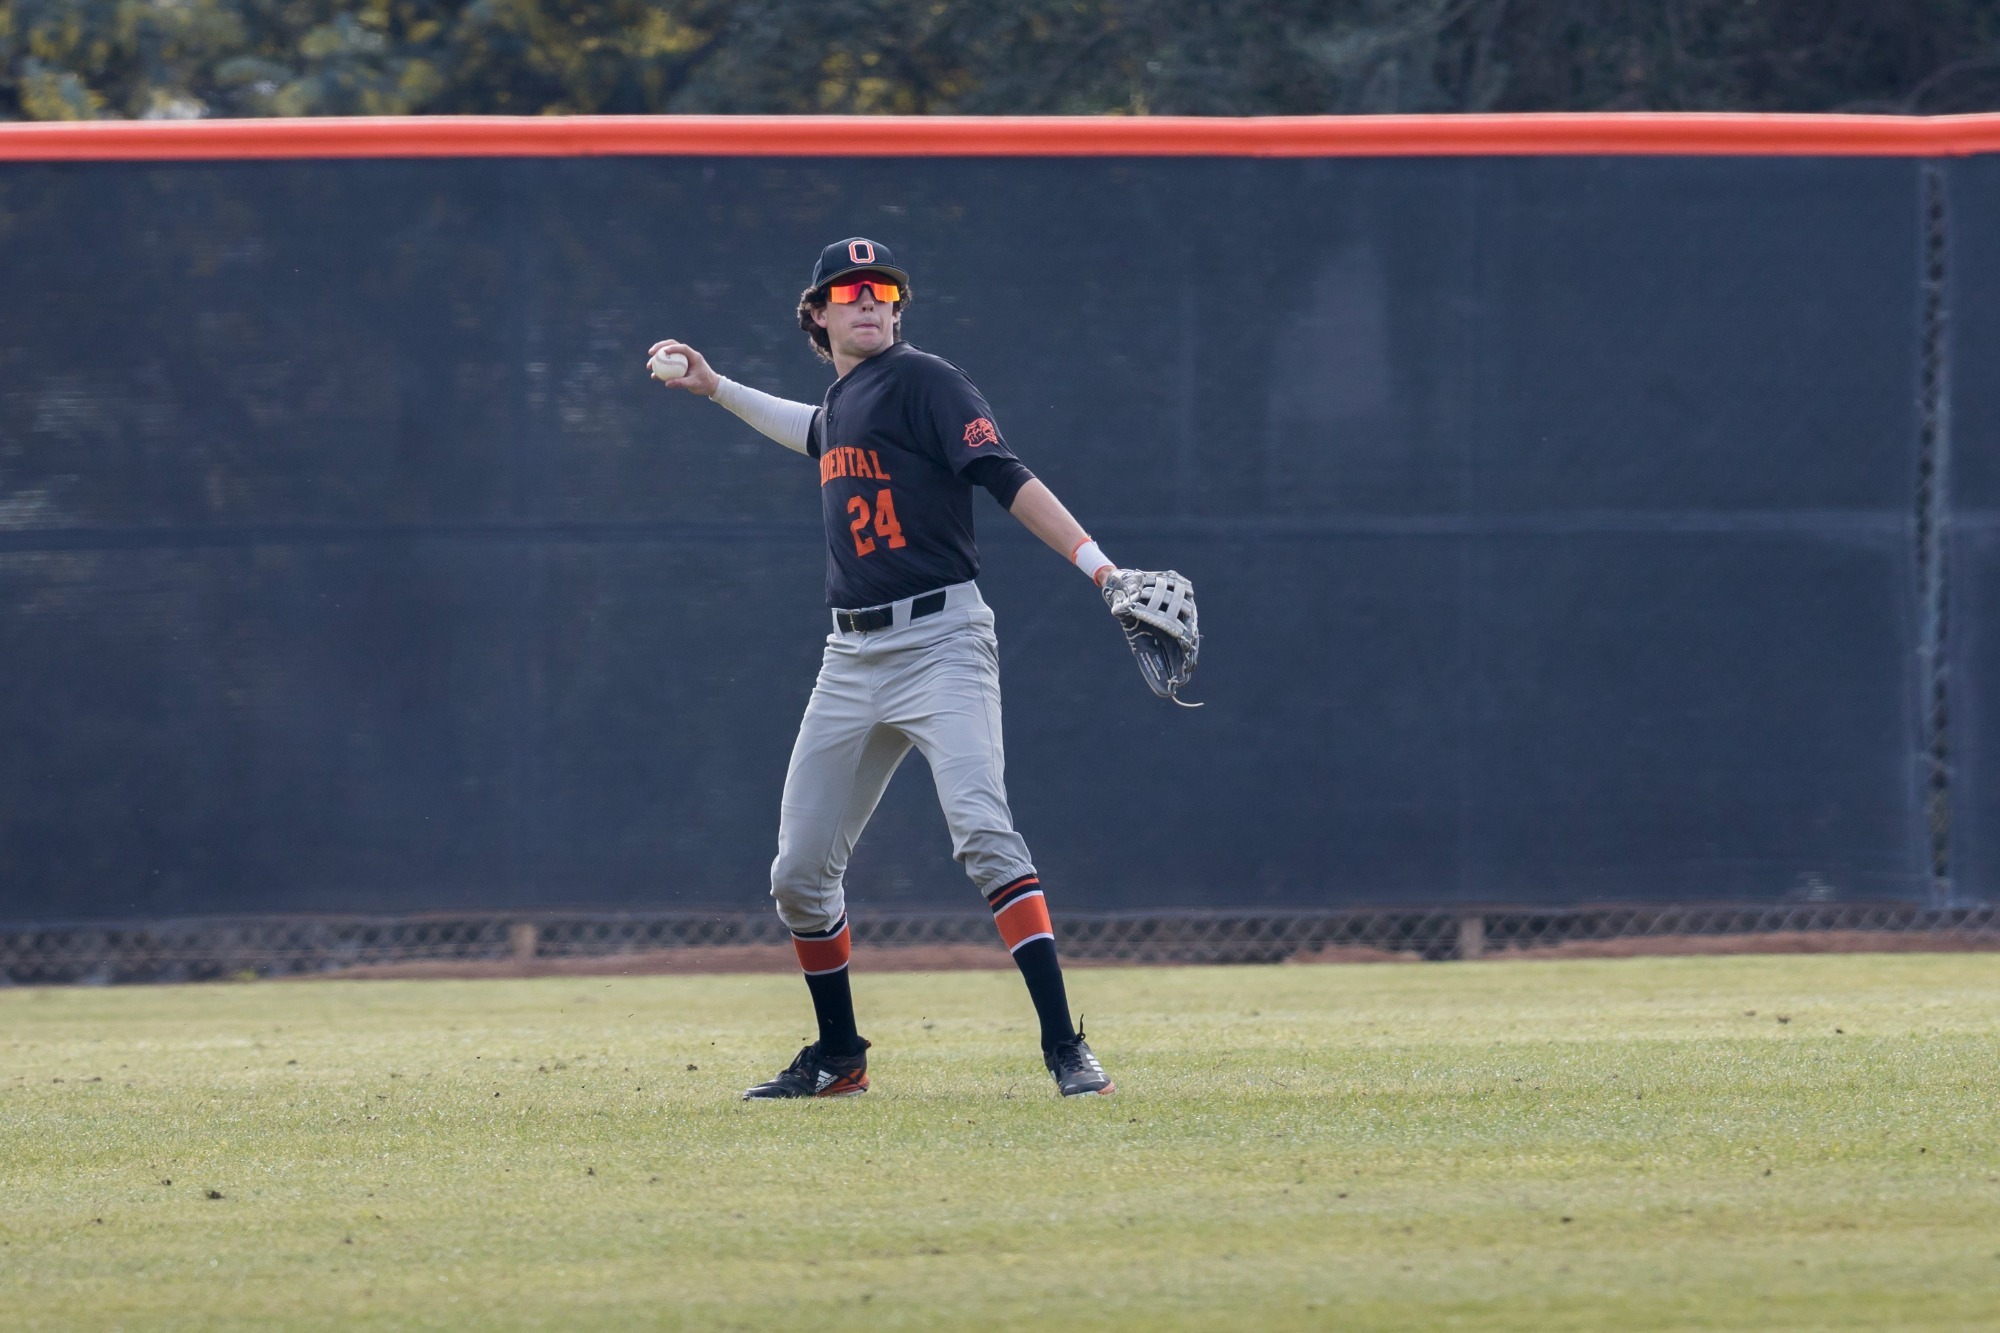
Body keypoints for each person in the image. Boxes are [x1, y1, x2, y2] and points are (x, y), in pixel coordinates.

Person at [649, 237, 1135, 1099]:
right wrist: (715, 386)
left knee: (983, 833)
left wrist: (1102, 569)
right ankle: (841, 1055)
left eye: (883, 288)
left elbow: (1003, 473)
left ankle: (1066, 1046)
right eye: (849, 290)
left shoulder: (925, 380)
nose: (870, 299)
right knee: (798, 874)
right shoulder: (845, 401)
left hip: (942, 640)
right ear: (818, 314)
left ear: (898, 308)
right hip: (851, 656)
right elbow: (809, 429)